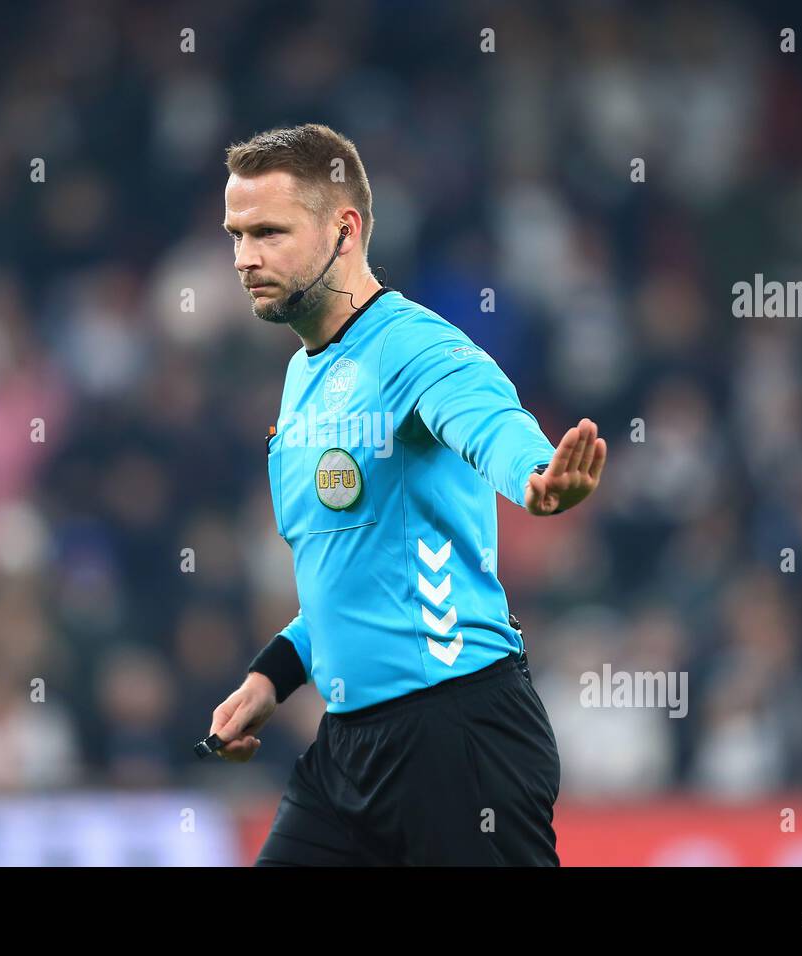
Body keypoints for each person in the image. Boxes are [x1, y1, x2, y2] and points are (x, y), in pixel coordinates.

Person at [209, 124, 607, 865]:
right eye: (236, 235)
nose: (244, 258)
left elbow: (491, 424)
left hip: (457, 739)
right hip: (348, 748)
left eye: (268, 232)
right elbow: (352, 573)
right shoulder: (304, 376)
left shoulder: (417, 347)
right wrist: (272, 676)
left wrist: (536, 480)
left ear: (344, 230)